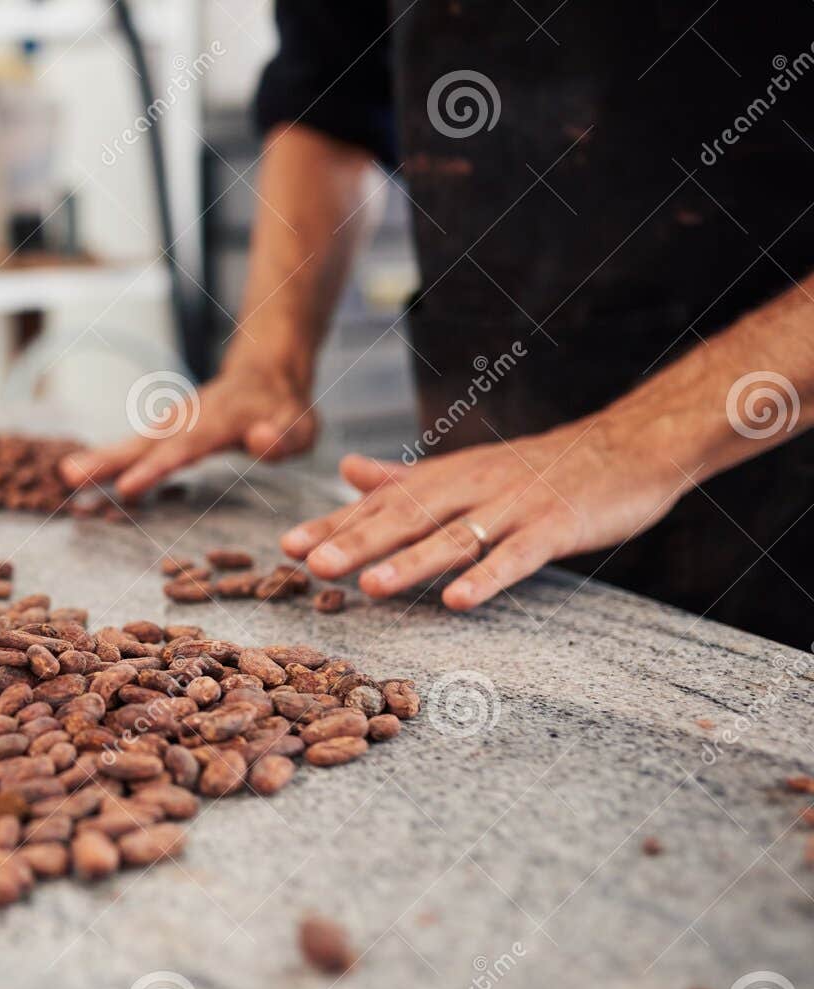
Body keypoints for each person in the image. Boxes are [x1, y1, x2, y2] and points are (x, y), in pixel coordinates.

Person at [61, 3, 813, 647]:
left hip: (779, 497)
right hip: (488, 474)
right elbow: (331, 92)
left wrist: (634, 443)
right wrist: (269, 360)